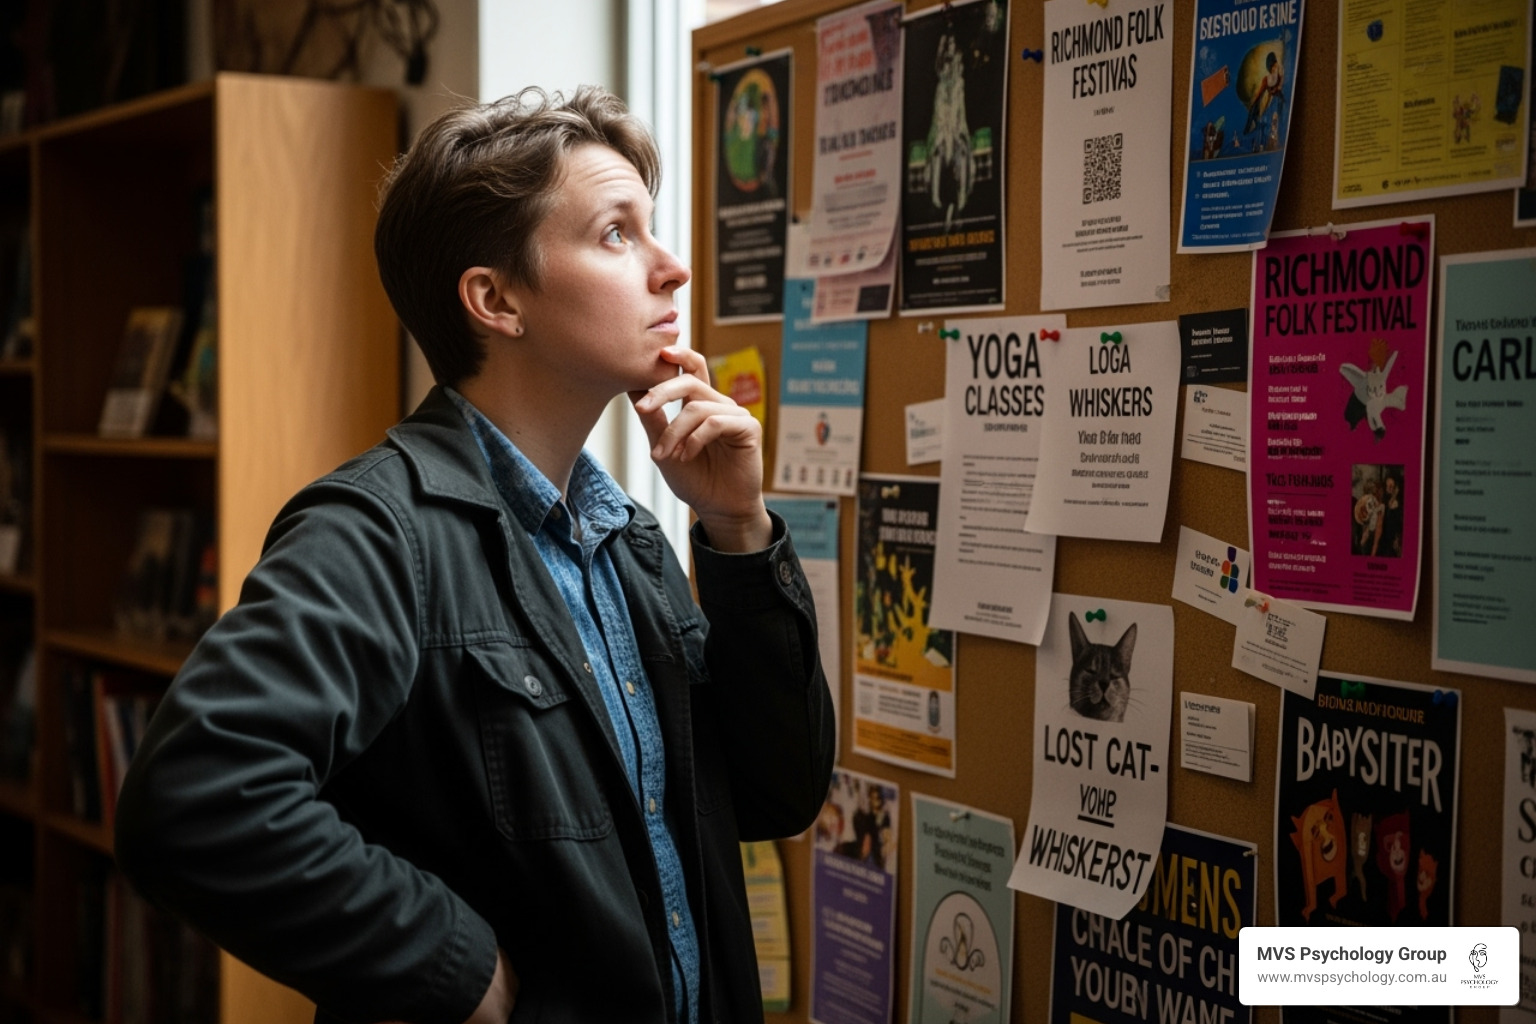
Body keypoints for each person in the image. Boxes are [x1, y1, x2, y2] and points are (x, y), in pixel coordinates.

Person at [114, 86, 836, 1024]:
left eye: (650, 229)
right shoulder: (375, 531)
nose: (674, 269)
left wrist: (738, 530)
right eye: (618, 234)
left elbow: (777, 795)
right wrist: (450, 963)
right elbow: (194, 798)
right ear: (495, 300)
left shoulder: (627, 538)